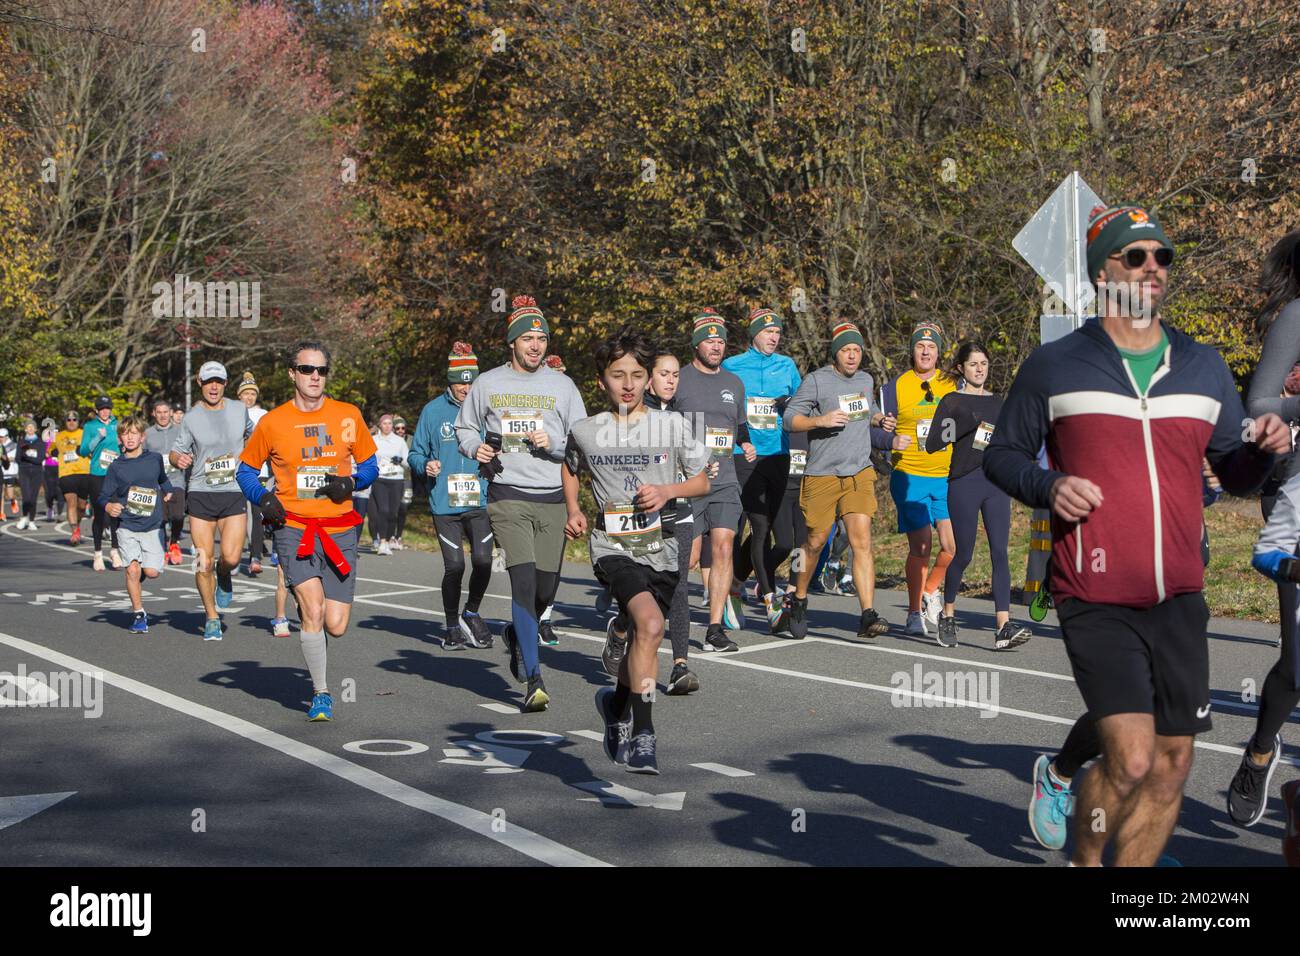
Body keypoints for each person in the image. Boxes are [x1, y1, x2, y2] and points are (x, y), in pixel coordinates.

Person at [984, 202, 1288, 867]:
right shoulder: (1056, 365)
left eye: (1163, 257)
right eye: (1136, 255)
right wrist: (1049, 486)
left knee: (1173, 765)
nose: (1154, 268)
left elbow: (1233, 471)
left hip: (1180, 591)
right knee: (1131, 758)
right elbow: (1002, 455)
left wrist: (1263, 449)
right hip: (1094, 590)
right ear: (1103, 273)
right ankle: (1088, 861)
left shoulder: (1204, 366)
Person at [565, 329, 711, 773]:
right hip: (613, 546)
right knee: (649, 624)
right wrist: (574, 508)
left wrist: (668, 491)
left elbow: (702, 480)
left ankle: (617, 704)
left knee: (643, 636)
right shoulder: (586, 431)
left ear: (648, 379)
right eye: (617, 375)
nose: (627, 384)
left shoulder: (672, 426)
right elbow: (570, 467)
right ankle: (644, 732)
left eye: (636, 375)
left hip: (662, 546)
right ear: (601, 381)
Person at [455, 295, 587, 712]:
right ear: (511, 342)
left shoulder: (562, 385)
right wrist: (476, 447)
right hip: (507, 492)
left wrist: (557, 444)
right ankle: (534, 677)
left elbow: (582, 440)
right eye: (528, 338)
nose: (536, 345)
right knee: (524, 582)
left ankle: (516, 635)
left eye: (541, 338)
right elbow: (465, 427)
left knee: (546, 590)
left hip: (551, 495)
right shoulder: (489, 383)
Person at [237, 341, 379, 721]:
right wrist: (262, 499)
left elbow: (370, 465)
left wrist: (349, 484)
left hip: (340, 529)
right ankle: (321, 692)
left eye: (321, 371)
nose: (315, 377)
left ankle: (314, 626)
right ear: (292, 374)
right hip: (293, 527)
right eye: (306, 370)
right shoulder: (272, 422)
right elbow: (245, 471)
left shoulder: (347, 415)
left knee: (336, 625)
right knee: (312, 609)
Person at [1226, 228, 1300, 827]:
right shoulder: (1296, 317)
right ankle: (1259, 751)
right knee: (1297, 665)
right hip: (1296, 494)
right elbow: (1259, 406)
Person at [784, 321, 900, 639]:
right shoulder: (817, 381)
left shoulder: (865, 379)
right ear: (836, 353)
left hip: (859, 472)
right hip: (822, 474)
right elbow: (789, 419)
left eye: (857, 350)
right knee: (814, 542)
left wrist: (879, 418)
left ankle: (867, 614)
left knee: (861, 540)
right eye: (846, 350)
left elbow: (868, 408)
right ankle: (799, 598)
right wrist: (819, 420)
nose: (852, 356)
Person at [925, 341, 1032, 649]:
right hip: (964, 483)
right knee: (965, 554)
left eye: (984, 363)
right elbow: (933, 442)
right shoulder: (952, 401)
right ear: (961, 368)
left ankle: (1003, 627)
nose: (980, 369)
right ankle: (947, 613)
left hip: (996, 483)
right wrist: (966, 424)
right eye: (973, 364)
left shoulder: (1000, 402)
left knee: (1000, 551)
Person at [675, 309, 755, 651]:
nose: (716, 346)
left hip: (724, 480)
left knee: (724, 547)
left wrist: (745, 441)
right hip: (687, 480)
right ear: (697, 344)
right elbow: (658, 423)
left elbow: (738, 424)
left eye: (721, 341)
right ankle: (650, 607)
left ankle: (714, 627)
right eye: (709, 340)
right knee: (688, 558)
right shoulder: (679, 380)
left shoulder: (734, 383)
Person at [722, 307, 803, 634]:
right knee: (751, 527)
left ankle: (738, 581)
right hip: (744, 456)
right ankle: (764, 598)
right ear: (753, 333)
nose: (774, 337)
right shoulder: (733, 365)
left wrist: (791, 404)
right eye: (768, 332)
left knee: (783, 540)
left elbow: (802, 404)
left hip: (780, 455)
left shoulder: (787, 366)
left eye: (778, 333)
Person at [410, 342, 495, 649]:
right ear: (450, 381)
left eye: (471, 381)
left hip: (479, 501)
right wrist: (426, 465)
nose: (466, 387)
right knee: (455, 566)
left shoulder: (487, 410)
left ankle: (470, 612)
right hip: (445, 505)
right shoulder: (432, 411)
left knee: (484, 561)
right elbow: (415, 453)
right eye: (461, 381)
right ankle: (450, 626)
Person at [882, 322, 958, 637]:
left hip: (945, 477)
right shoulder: (894, 387)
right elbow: (880, 429)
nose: (925, 352)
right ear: (912, 350)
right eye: (919, 346)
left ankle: (929, 591)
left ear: (938, 351)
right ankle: (914, 612)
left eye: (931, 347)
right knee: (922, 546)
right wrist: (885, 436)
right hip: (910, 476)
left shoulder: (953, 384)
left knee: (952, 547)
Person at [644, 348, 712, 694]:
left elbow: (696, 468)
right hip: (642, 517)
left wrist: (705, 467)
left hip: (679, 513)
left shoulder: (683, 418)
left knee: (680, 586)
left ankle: (680, 665)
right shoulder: (632, 416)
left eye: (675, 375)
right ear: (648, 378)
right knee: (644, 591)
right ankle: (625, 636)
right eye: (663, 374)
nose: (670, 380)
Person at [171, 362, 254, 641]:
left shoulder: (239, 410)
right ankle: (211, 616)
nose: (214, 387)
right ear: (200, 382)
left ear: (226, 383)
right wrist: (178, 459)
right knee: (201, 561)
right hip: (200, 492)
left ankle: (225, 574)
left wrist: (253, 458)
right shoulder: (191, 417)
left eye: (218, 381)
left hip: (233, 490)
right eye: (209, 382)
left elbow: (255, 436)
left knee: (230, 557)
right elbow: (176, 451)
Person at [98, 416, 174, 634]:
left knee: (151, 573)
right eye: (125, 433)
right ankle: (139, 614)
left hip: (153, 524)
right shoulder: (116, 466)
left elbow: (162, 479)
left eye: (134, 433)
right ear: (120, 437)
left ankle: (139, 574)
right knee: (131, 569)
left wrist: (169, 490)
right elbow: (103, 496)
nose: (129, 437)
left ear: (142, 436)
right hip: (127, 524)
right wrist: (109, 507)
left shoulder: (155, 459)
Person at [79, 396, 123, 571]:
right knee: (100, 514)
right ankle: (97, 553)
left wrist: (123, 444)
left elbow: (127, 445)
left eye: (108, 408)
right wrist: (97, 437)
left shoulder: (117, 424)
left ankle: (114, 551)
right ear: (96, 410)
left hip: (116, 474)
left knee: (116, 514)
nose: (105, 411)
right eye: (102, 408)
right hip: (97, 474)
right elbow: (83, 451)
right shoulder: (90, 426)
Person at [144, 399, 187, 564]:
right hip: (157, 483)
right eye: (159, 412)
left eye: (165, 412)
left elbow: (190, 449)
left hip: (177, 480)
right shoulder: (147, 434)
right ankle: (162, 547)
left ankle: (174, 542)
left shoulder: (181, 431)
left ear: (170, 413)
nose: (162, 416)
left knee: (177, 516)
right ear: (153, 413)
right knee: (161, 518)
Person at [237, 372, 270, 574]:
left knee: (257, 515)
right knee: (236, 516)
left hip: (260, 472)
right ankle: (231, 555)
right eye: (245, 394)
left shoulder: (263, 414)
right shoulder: (231, 412)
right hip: (235, 471)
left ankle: (255, 556)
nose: (249, 397)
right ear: (239, 395)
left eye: (252, 394)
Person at [370, 413, 407, 555]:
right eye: (384, 423)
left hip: (396, 479)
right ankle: (383, 542)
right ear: (380, 425)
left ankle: (389, 539)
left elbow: (408, 462)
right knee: (383, 510)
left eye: (390, 423)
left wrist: (401, 460)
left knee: (393, 513)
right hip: (380, 478)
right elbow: (367, 457)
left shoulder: (399, 441)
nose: (387, 426)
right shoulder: (373, 440)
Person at [53, 411, 90, 545]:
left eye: (74, 419)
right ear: (65, 421)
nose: (71, 422)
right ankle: (74, 532)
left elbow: (92, 448)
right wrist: (52, 452)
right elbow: (49, 449)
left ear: (78, 421)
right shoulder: (58, 436)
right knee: (71, 502)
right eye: (68, 419)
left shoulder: (85, 434)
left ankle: (77, 525)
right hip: (66, 473)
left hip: (84, 472)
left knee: (81, 506)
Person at [15, 420, 46, 530]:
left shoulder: (41, 443)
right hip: (24, 472)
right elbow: (18, 458)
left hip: (37, 472)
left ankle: (31, 520)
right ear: (25, 429)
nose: (30, 429)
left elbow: (40, 459)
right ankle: (24, 517)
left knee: (33, 498)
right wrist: (29, 456)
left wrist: (27, 456)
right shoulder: (21, 442)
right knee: (26, 497)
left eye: (32, 427)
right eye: (28, 427)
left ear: (36, 429)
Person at [392, 415, 412, 550]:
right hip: (392, 479)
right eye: (397, 428)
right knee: (392, 509)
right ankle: (390, 536)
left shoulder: (411, 440)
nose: (400, 430)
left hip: (407, 479)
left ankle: (398, 536)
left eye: (402, 428)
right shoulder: (390, 441)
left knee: (403, 508)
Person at [41, 418, 60, 522]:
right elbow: (43, 454)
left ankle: (59, 510)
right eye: (52, 431)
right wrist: (46, 454)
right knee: (49, 491)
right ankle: (49, 508)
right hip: (48, 467)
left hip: (59, 468)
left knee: (59, 490)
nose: (54, 433)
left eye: (56, 431)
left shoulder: (61, 441)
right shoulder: (46, 442)